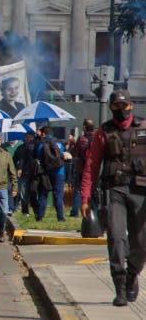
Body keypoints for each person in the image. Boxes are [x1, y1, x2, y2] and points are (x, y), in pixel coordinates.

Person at [81, 89, 146, 306]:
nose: (121, 110)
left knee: (141, 243)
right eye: (116, 106)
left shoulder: (143, 129)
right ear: (111, 108)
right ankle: (119, 286)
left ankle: (132, 275)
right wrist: (84, 197)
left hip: (140, 192)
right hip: (115, 190)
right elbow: (91, 165)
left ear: (131, 106)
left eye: (124, 106)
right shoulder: (103, 132)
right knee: (117, 238)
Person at [35, 126, 66, 222]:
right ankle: (60, 217)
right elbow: (63, 156)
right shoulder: (59, 144)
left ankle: (40, 216)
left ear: (43, 134)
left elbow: (38, 157)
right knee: (58, 195)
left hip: (45, 172)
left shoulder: (40, 145)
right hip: (59, 172)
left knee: (43, 194)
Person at [69, 119, 94, 217]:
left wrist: (72, 143)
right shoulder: (97, 138)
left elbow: (74, 152)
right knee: (93, 190)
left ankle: (75, 211)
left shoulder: (82, 139)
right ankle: (92, 210)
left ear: (84, 128)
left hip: (82, 168)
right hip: (94, 168)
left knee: (79, 189)